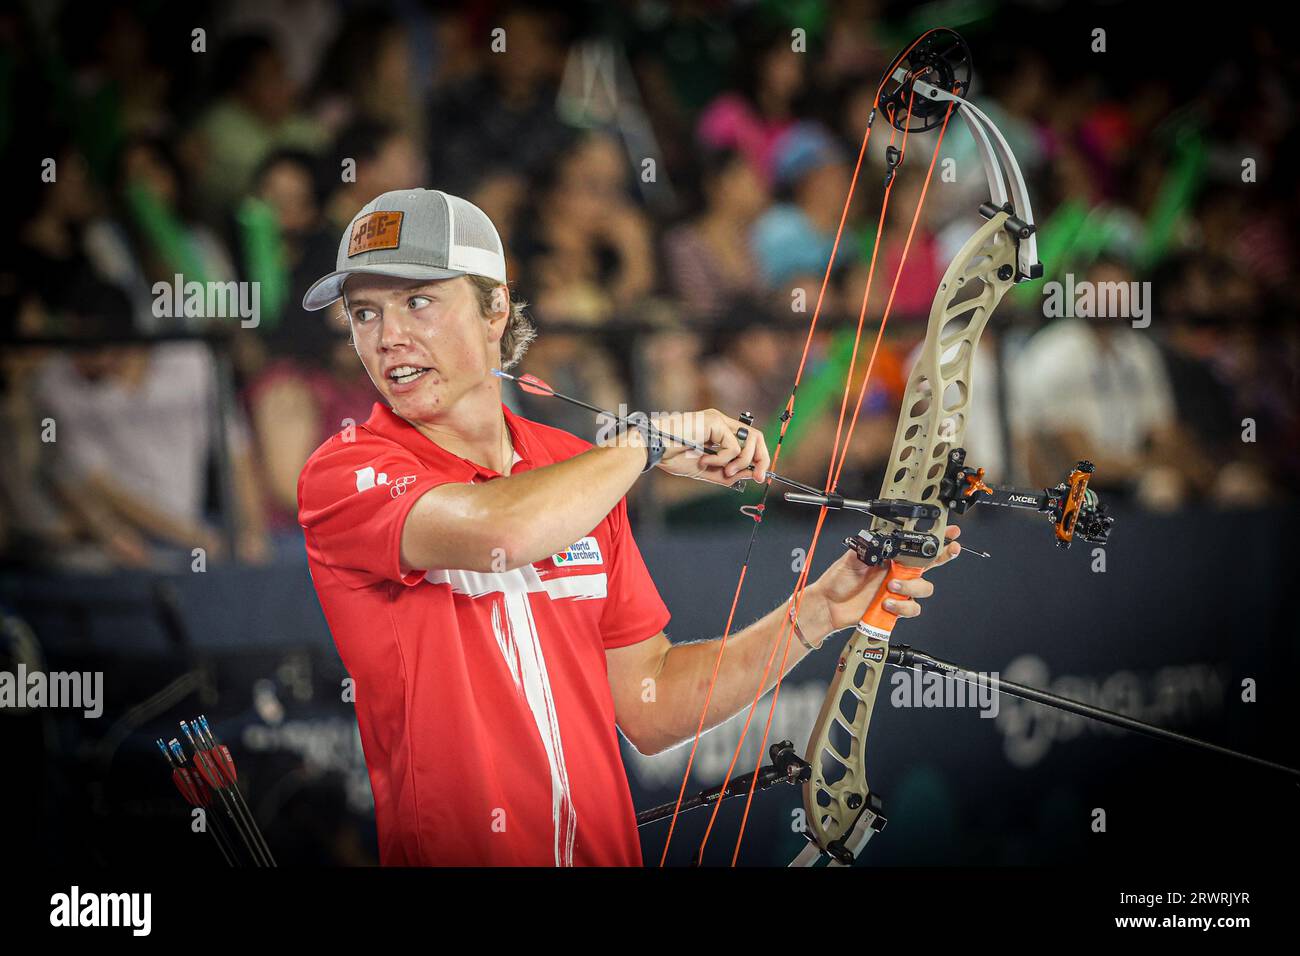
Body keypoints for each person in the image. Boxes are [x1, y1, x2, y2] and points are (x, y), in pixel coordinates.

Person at [295, 188, 959, 866]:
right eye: (364, 312)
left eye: (418, 302)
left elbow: (652, 704)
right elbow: (503, 534)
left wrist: (813, 613)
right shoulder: (347, 472)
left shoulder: (575, 471)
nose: (387, 337)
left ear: (496, 307)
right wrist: (649, 440)